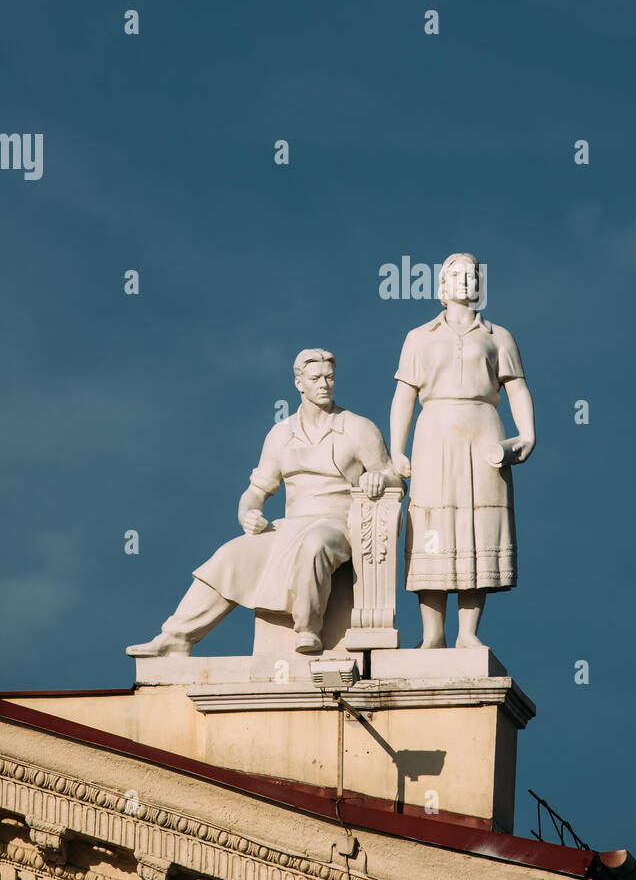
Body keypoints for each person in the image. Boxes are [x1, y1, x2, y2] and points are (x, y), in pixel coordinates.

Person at [127, 349, 403, 658]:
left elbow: (392, 476)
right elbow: (256, 490)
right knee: (230, 555)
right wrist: (248, 513)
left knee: (315, 545)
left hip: (339, 522)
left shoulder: (357, 427)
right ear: (299, 383)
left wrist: (378, 479)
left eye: (329, 377)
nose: (324, 384)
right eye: (315, 379)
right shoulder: (280, 433)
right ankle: (177, 636)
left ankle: (308, 629)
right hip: (290, 525)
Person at [389, 253, 535, 649]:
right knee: (433, 526)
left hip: (484, 432)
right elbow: (405, 395)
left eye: (472, 274)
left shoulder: (497, 336)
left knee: (477, 527)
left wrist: (527, 435)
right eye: (456, 274)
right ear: (441, 286)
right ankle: (433, 634)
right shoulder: (419, 337)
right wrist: (396, 450)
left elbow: (516, 387)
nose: (465, 280)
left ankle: (468, 634)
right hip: (434, 431)